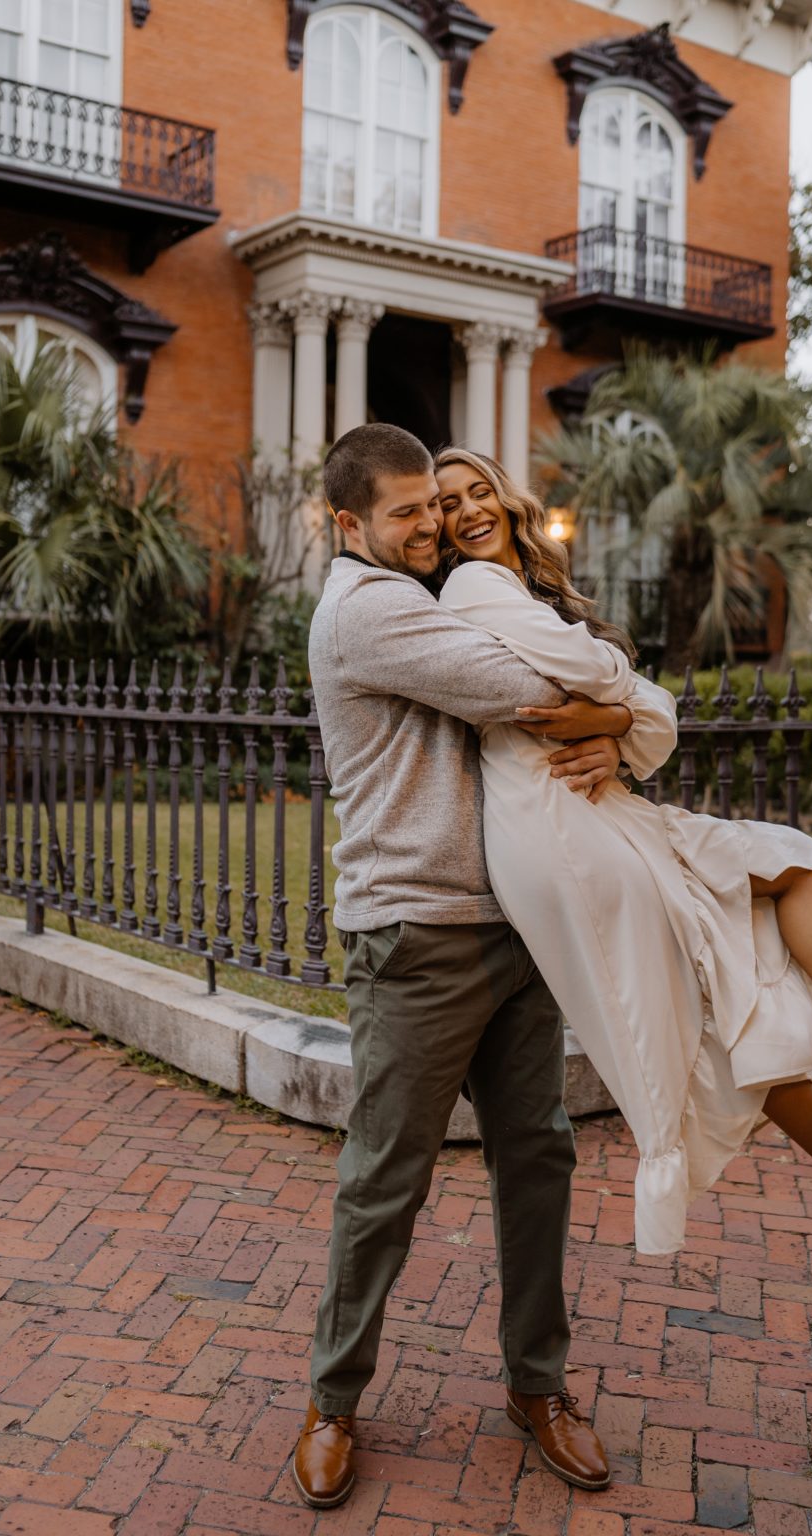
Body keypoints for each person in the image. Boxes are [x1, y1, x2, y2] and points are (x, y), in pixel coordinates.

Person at [431, 446, 812, 1261]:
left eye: (477, 490)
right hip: (561, 823)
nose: (466, 511)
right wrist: (618, 704)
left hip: (591, 809)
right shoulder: (472, 586)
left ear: (506, 498)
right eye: (447, 504)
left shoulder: (524, 593)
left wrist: (616, 720)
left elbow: (654, 718)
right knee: (757, 925)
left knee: (768, 919)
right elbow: (593, 672)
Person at [296, 422, 665, 1510]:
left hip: (516, 925)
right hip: (417, 934)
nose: (430, 526)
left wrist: (619, 720)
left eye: (434, 504)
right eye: (405, 512)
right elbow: (531, 687)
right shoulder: (370, 610)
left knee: (538, 1158)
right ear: (348, 522)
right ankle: (332, 1401)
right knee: (385, 1178)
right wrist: (627, 711)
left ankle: (537, 1386)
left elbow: (550, 677)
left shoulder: (439, 593)